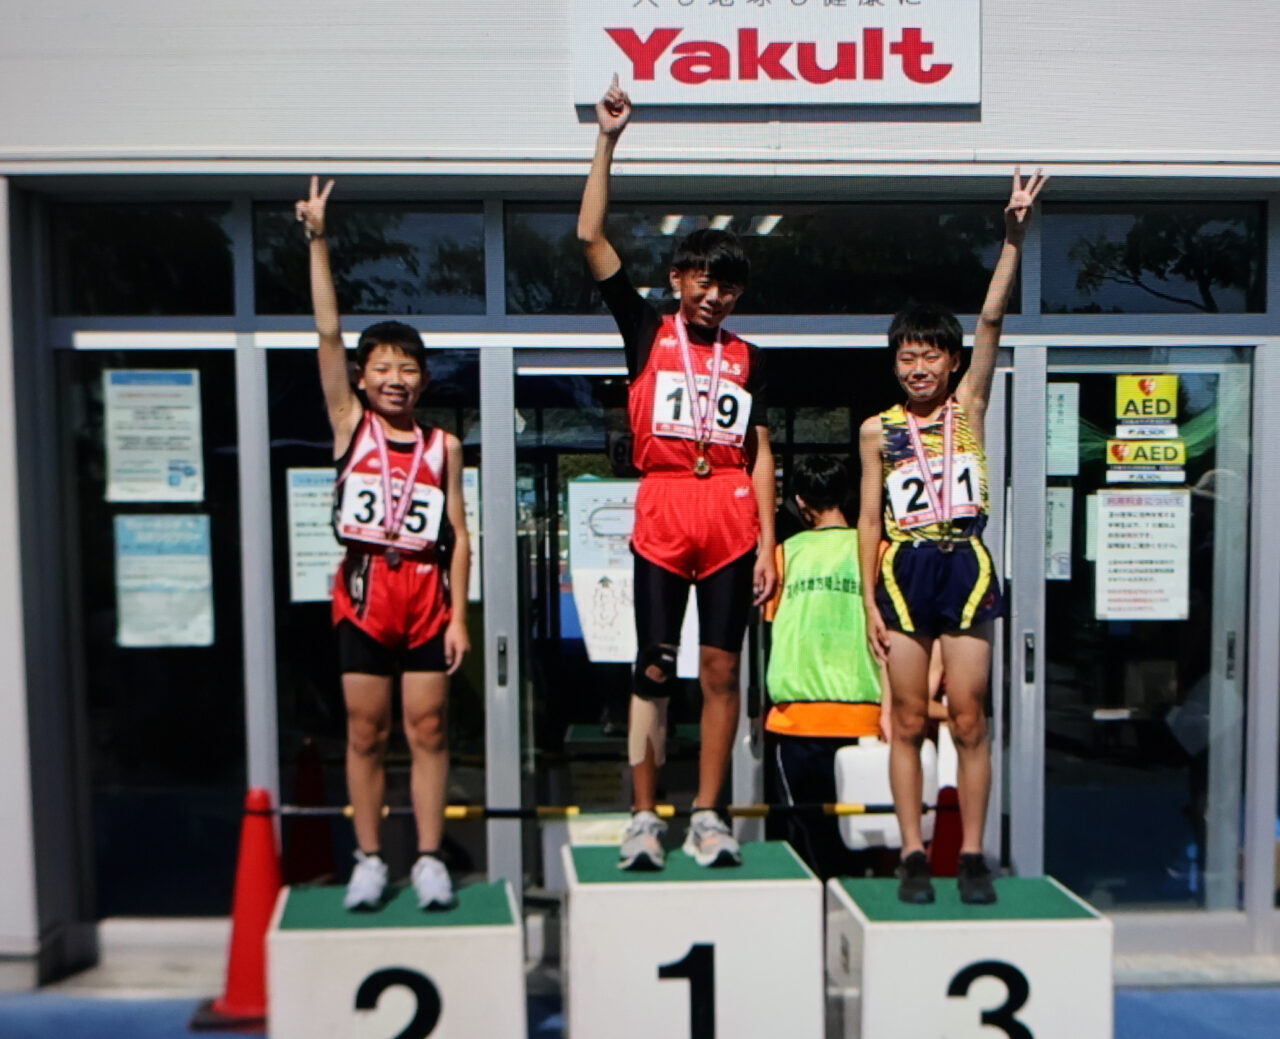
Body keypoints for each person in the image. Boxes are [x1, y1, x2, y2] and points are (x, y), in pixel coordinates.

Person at [578, 78, 777, 870]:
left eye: (727, 285)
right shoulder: (646, 330)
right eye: (702, 279)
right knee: (654, 666)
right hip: (663, 506)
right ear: (677, 280)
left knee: (723, 669)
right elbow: (590, 236)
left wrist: (768, 542)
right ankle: (642, 815)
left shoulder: (748, 356)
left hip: (729, 512)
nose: (713, 294)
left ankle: (709, 813)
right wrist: (608, 141)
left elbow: (760, 450)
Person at [857, 168, 1048, 905]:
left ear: (952, 360)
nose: (918, 368)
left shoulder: (968, 408)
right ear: (895, 363)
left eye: (931, 355)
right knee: (907, 717)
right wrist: (868, 603)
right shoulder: (879, 429)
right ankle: (911, 851)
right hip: (904, 565)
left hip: (964, 559)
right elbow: (868, 520)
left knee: (968, 716)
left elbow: (992, 319)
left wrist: (1013, 236)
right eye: (906, 357)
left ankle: (970, 852)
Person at [296, 177, 471, 909]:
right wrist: (318, 240)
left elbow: (459, 533)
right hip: (367, 591)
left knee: (427, 728)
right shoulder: (350, 424)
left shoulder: (443, 445)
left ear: (423, 378)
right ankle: (368, 857)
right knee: (364, 731)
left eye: (408, 368)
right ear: (363, 379)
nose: (396, 379)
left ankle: (428, 856)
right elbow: (328, 333)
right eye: (383, 368)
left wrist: (459, 616)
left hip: (426, 596)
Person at [764, 456, 891, 879]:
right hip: (867, 718)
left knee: (812, 845)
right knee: (866, 843)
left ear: (801, 502)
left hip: (797, 721)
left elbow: (770, 620)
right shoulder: (880, 552)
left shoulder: (784, 556)